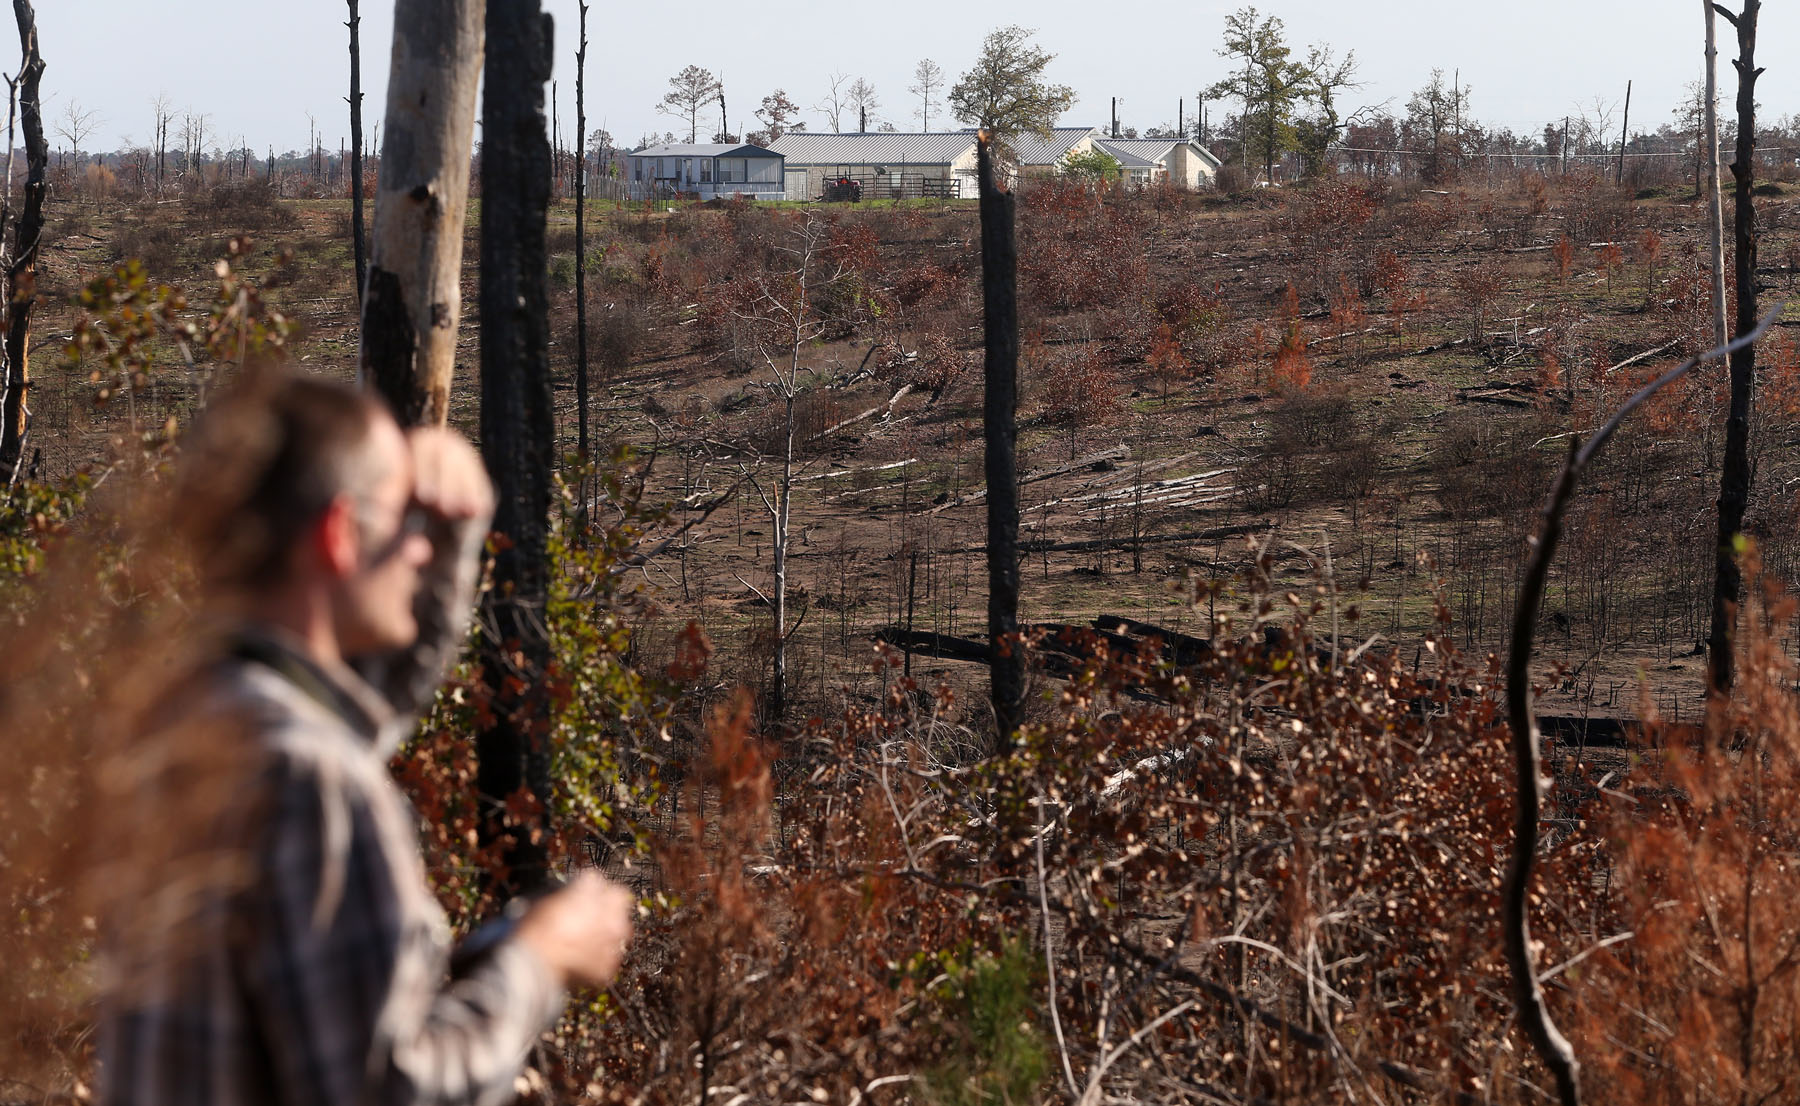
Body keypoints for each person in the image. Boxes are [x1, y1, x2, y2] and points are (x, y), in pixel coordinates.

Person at [96, 373, 634, 1106]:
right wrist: (541, 960)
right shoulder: (310, 778)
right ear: (339, 534)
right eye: (401, 521)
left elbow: (355, 714)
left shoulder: (182, 722)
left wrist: (455, 531)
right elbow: (385, 1090)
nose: (417, 550)